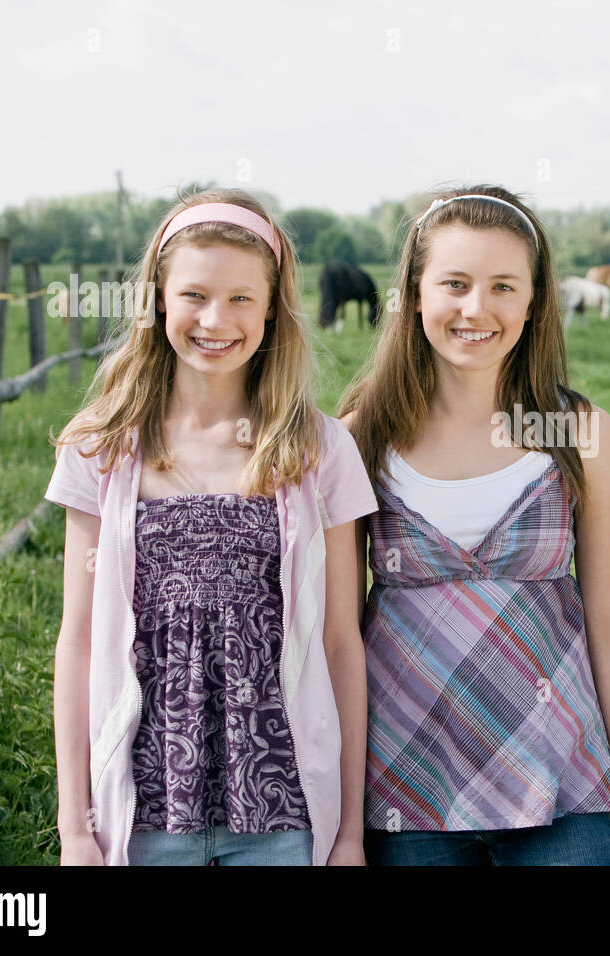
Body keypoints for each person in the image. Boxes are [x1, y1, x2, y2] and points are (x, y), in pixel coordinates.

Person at [45, 189, 377, 866]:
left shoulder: (319, 450)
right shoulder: (101, 446)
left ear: (272, 310)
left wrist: (347, 834)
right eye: (194, 295)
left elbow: (343, 643)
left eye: (240, 299)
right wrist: (75, 827)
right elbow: (78, 642)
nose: (215, 320)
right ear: (159, 299)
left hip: (284, 816)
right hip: (143, 814)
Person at [337, 185, 610, 865]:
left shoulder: (580, 435)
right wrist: (344, 832)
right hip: (406, 782)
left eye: (503, 287)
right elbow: (335, 643)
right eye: (454, 283)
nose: (475, 308)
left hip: (555, 780)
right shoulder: (359, 438)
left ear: (535, 301)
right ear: (416, 293)